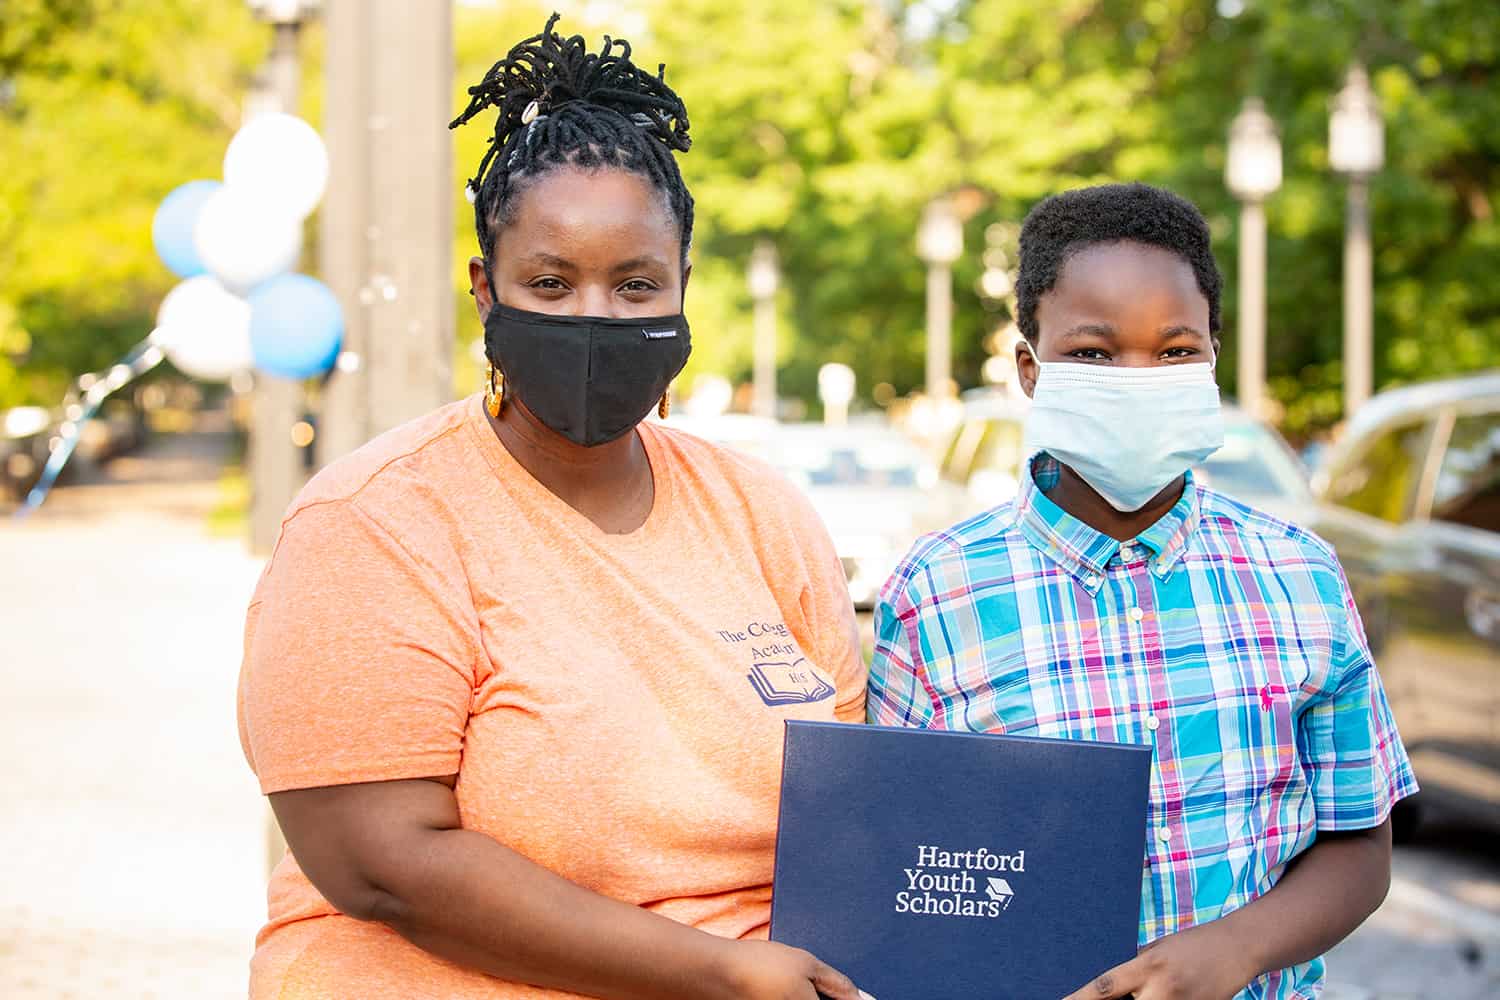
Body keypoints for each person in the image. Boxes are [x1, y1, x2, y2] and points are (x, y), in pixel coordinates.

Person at [237, 16, 870, 999]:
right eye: (550, 282)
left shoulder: (763, 514)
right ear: (486, 293)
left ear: (683, 290)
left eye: (635, 285)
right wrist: (716, 972)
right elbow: (380, 862)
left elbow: (849, 813)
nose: (594, 317)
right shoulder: (375, 524)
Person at [868, 182, 1416, 1000]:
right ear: (1031, 369)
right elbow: (898, 865)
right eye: (1093, 353)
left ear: (1212, 359)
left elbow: (1360, 842)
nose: (1136, 377)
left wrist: (1238, 948)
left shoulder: (1299, 575)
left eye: (1173, 350)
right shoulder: (937, 593)